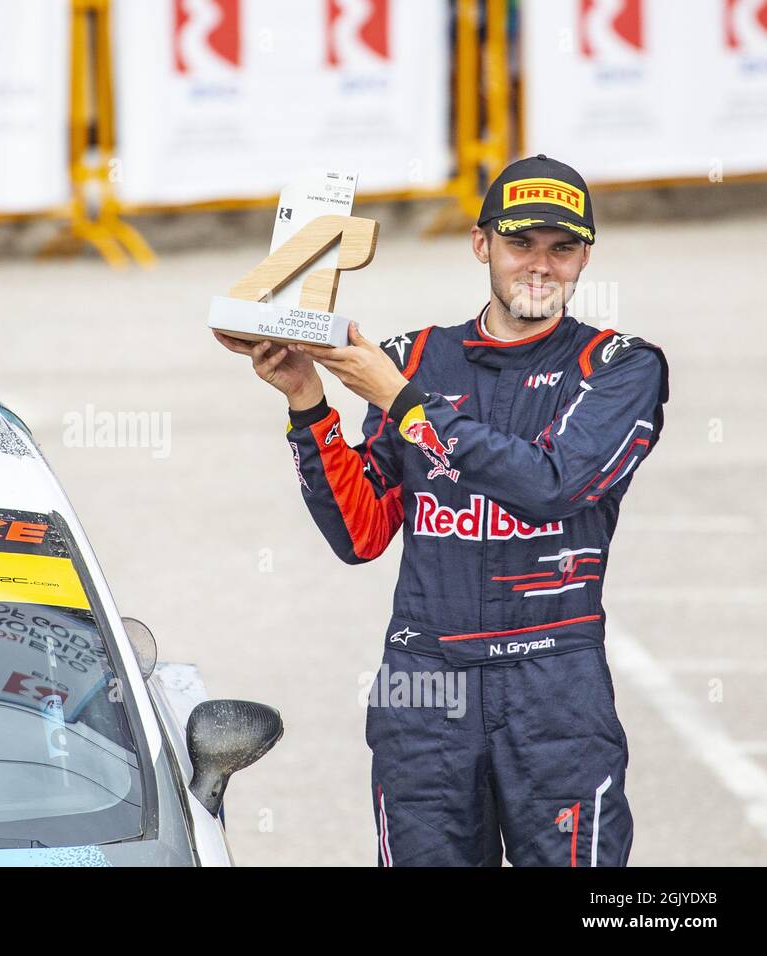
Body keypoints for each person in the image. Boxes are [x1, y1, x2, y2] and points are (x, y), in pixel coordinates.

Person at [214, 154, 669, 866]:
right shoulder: (414, 357)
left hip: (554, 679)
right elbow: (360, 534)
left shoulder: (620, 367)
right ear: (481, 243)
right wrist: (308, 401)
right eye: (521, 243)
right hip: (423, 681)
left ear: (587, 255)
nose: (541, 265)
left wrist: (406, 404)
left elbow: (552, 483)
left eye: (563, 247)